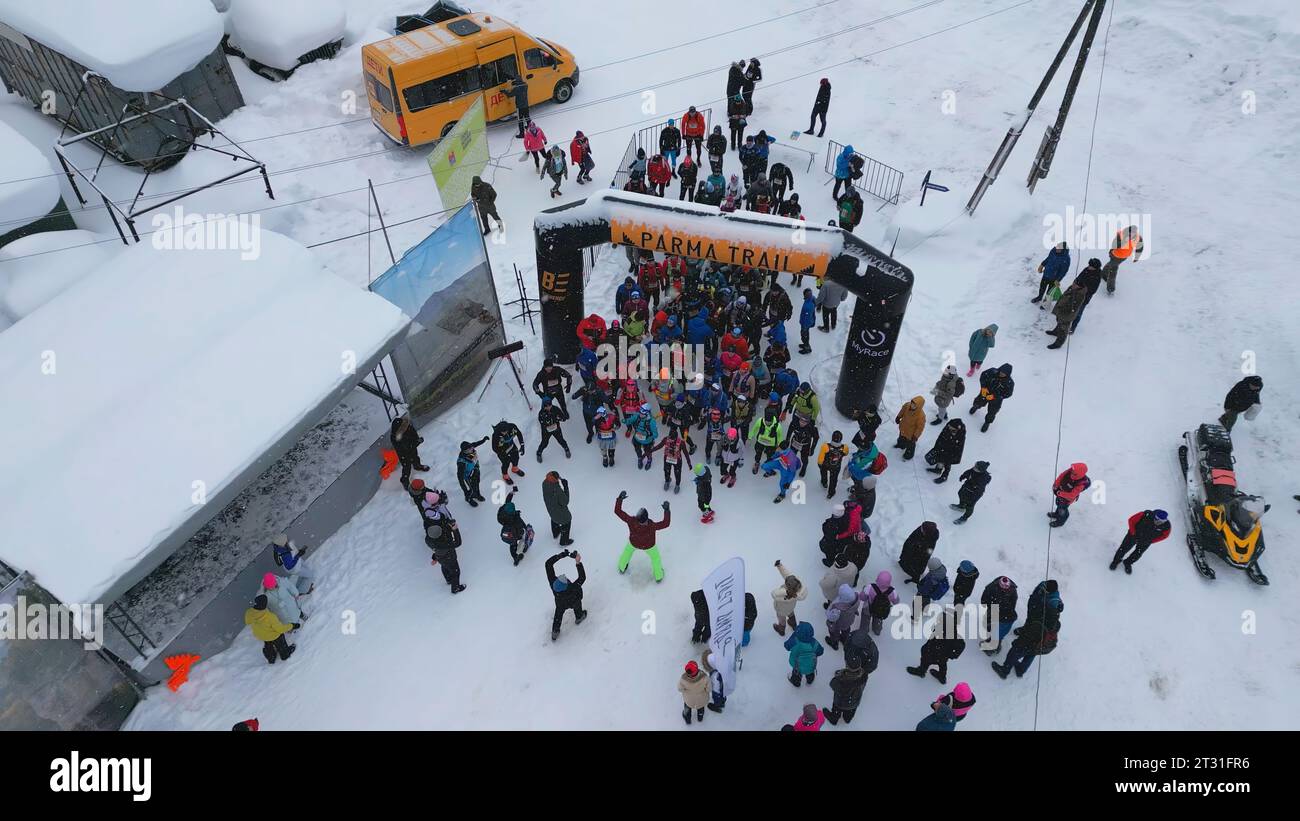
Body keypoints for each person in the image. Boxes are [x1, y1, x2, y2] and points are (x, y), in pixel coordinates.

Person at [614, 491, 671, 582]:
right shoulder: (652, 526)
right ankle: (659, 576)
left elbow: (618, 511)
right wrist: (667, 510)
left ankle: (622, 567)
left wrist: (620, 499)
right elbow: (665, 523)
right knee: (656, 559)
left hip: (634, 543)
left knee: (626, 553)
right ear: (647, 517)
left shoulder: (632, 521)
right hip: (649, 546)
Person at [993, 603, 1059, 679]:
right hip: (1040, 647)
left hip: (1031, 644)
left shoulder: (1037, 625)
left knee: (1014, 653)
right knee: (1031, 655)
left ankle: (1004, 671)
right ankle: (1020, 670)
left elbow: (1025, 639)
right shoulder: (1055, 623)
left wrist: (1016, 644)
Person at [906, 606, 964, 684]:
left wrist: (953, 655)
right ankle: (942, 676)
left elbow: (962, 645)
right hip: (941, 656)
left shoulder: (950, 633)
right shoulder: (950, 630)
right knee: (942, 664)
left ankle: (921, 671)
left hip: (931, 653)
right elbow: (961, 644)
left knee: (925, 661)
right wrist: (951, 655)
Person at [1110, 509, 1171, 573]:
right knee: (1123, 548)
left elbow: (1164, 536)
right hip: (1133, 536)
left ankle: (1127, 563)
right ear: (1155, 516)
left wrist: (1151, 541)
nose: (1159, 522)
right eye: (1157, 519)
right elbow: (1131, 520)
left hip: (1146, 542)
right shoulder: (1145, 515)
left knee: (1137, 554)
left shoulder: (1166, 526)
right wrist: (1133, 532)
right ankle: (1116, 561)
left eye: (1162, 521)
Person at [244, 595, 298, 664]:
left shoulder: (249, 612)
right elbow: (281, 629)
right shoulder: (270, 617)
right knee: (280, 641)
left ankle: (271, 657)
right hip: (273, 636)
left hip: (261, 635)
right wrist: (292, 625)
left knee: (268, 644)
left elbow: (248, 622)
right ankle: (285, 654)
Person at [546, 550, 587, 641]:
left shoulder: (553, 584)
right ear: (566, 585)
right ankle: (579, 617)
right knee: (577, 606)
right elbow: (582, 577)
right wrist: (578, 562)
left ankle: (555, 632)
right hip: (574, 600)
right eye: (565, 579)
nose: (564, 576)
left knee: (558, 614)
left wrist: (561, 555)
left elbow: (548, 564)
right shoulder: (573, 588)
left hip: (560, 603)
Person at [968, 363, 1014, 432]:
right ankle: (975, 407)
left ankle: (987, 422)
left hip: (996, 399)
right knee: (979, 401)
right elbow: (983, 376)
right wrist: (983, 387)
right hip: (985, 392)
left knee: (992, 412)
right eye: (1001, 371)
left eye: (1004, 373)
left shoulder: (1009, 383)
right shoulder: (992, 372)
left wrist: (995, 396)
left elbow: (1008, 394)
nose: (1002, 374)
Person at [980, 576, 1018, 655]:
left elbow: (1012, 603)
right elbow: (985, 595)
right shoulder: (992, 587)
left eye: (1006, 587)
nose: (1005, 589)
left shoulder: (1012, 591)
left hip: (1003, 614)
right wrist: (986, 604)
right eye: (1003, 587)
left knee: (997, 635)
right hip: (994, 608)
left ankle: (992, 648)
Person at [389, 412, 428, 487]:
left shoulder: (408, 427)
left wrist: (417, 440)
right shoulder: (395, 438)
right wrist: (417, 442)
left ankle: (417, 466)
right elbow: (407, 448)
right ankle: (404, 480)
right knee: (407, 466)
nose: (405, 428)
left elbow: (414, 436)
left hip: (412, 446)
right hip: (403, 453)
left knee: (415, 457)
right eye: (402, 428)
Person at [1102, 225, 1144, 295]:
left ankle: (1103, 273)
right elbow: (1114, 245)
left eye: (1133, 234)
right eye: (1130, 233)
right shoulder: (1120, 235)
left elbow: (1140, 248)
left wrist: (1137, 257)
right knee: (1113, 271)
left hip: (1124, 257)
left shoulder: (1138, 238)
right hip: (1115, 255)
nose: (1131, 235)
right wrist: (1124, 242)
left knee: (1112, 264)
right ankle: (1110, 289)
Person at [1046, 280, 1087, 349]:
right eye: (1073, 283)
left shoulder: (1079, 295)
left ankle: (1058, 343)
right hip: (1061, 309)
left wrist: (1064, 309)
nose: (1073, 284)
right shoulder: (1072, 288)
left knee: (1063, 329)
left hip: (1066, 313)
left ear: (1079, 287)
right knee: (1059, 321)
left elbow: (1074, 306)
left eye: (1075, 284)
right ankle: (1056, 332)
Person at [426, 522, 465, 594]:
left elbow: (437, 550)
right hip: (449, 558)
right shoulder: (444, 544)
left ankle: (448, 579)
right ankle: (455, 588)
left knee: (444, 567)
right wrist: (455, 530)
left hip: (440, 557)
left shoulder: (428, 540)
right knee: (455, 572)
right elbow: (458, 542)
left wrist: (435, 558)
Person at [650, 426, 692, 493]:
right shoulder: (666, 439)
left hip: (677, 460)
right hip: (667, 459)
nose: (671, 440)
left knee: (677, 473)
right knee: (666, 471)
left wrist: (689, 463)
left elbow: (686, 453)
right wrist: (651, 450)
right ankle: (667, 480)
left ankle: (677, 485)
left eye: (672, 439)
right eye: (670, 438)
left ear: (676, 438)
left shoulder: (681, 443)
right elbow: (659, 446)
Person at [1048, 462, 1090, 527]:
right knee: (1058, 504)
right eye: (1072, 471)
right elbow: (1061, 476)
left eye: (1074, 473)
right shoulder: (1070, 471)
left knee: (1062, 509)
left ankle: (1060, 522)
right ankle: (1056, 514)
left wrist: (1059, 493)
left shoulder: (1080, 484)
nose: (1072, 473)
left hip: (1067, 499)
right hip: (1061, 493)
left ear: (1079, 475)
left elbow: (1072, 495)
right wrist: (1056, 484)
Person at [924, 418, 966, 483]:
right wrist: (937, 446)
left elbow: (960, 447)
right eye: (949, 427)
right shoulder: (948, 427)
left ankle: (944, 476)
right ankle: (938, 469)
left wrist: (955, 457)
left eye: (952, 428)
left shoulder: (960, 434)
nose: (949, 428)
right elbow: (941, 436)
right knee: (940, 457)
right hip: (943, 446)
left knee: (947, 463)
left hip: (952, 451)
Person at [771, 559, 807, 635]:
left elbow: (774, 594)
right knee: (791, 613)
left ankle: (781, 629)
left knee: (781, 619)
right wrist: (780, 566)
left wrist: (785, 591)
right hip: (791, 607)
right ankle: (793, 624)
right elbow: (787, 574)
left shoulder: (784, 595)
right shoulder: (798, 587)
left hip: (781, 610)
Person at [784, 621, 825, 687]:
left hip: (796, 664)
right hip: (810, 665)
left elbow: (786, 646)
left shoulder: (794, 641)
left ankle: (796, 682)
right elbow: (821, 651)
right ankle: (810, 680)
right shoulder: (814, 643)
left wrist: (793, 636)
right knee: (810, 673)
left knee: (796, 673)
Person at [1069, 257, 1104, 333]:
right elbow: (1079, 277)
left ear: (1095, 268)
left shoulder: (1097, 276)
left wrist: (1080, 287)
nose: (1089, 267)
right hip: (1075, 292)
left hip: (1084, 297)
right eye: (1089, 265)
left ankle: (1073, 327)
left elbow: (1092, 290)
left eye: (1091, 266)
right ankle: (1066, 321)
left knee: (1078, 312)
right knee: (1071, 307)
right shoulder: (1086, 269)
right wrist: (1074, 283)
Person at [498, 491, 533, 566]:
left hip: (508, 535)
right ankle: (518, 555)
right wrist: (525, 528)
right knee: (520, 540)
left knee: (512, 544)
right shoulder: (513, 519)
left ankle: (515, 556)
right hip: (514, 534)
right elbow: (520, 524)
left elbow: (507, 502)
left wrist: (511, 494)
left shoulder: (503, 512)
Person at [824, 583, 861, 651]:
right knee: (846, 630)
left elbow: (831, 617)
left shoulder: (838, 608)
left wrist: (828, 612)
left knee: (834, 633)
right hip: (849, 621)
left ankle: (834, 642)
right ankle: (844, 640)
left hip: (838, 624)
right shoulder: (856, 601)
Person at [542, 471, 574, 546]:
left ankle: (555, 532)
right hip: (559, 511)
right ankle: (564, 541)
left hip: (550, 508)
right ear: (555, 479)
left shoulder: (545, 483)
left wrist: (557, 481)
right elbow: (565, 501)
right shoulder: (556, 490)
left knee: (554, 517)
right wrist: (565, 487)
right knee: (567, 520)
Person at [456, 437, 489, 506]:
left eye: (471, 448)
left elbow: (476, 443)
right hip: (468, 476)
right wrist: (465, 491)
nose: (471, 450)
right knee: (471, 488)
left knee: (477, 483)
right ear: (464, 451)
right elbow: (460, 478)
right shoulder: (461, 462)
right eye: (468, 450)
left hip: (475, 470)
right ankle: (469, 498)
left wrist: (483, 440)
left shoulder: (471, 448)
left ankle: (477, 495)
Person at [536, 397, 572, 462]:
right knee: (544, 443)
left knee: (561, 440)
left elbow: (563, 418)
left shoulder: (556, 409)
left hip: (556, 429)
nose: (548, 407)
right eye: (546, 406)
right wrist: (548, 421)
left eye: (549, 405)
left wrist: (560, 418)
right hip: (546, 431)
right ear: (543, 405)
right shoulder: (541, 413)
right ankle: (539, 453)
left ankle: (566, 449)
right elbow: (542, 422)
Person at [816, 430, 849, 498]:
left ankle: (824, 483)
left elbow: (821, 457)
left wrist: (820, 464)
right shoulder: (844, 447)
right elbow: (846, 453)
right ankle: (831, 493)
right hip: (836, 467)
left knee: (823, 474)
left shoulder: (825, 446)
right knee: (833, 479)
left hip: (825, 465)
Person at [864, 570, 897, 635]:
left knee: (865, 618)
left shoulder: (870, 587)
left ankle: (864, 630)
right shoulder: (892, 592)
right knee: (878, 619)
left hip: (869, 607)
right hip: (881, 610)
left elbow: (862, 597)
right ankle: (877, 630)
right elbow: (896, 601)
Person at [893, 396, 926, 460]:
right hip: (903, 427)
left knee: (910, 444)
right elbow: (902, 411)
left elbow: (920, 428)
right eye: (912, 403)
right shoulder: (907, 405)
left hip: (911, 433)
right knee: (901, 437)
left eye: (914, 405)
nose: (912, 405)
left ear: (918, 406)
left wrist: (915, 436)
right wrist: (898, 417)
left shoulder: (921, 416)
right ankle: (901, 445)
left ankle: (909, 454)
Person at [678, 660, 710, 725]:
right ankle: (700, 717)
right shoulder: (704, 677)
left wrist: (686, 690)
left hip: (689, 700)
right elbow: (709, 689)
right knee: (700, 707)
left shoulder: (683, 679)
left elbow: (680, 689)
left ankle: (687, 718)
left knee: (687, 705)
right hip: (701, 699)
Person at [796, 288, 816, 354]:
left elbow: (806, 318)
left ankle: (807, 348)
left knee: (804, 335)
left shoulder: (807, 306)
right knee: (805, 334)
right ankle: (805, 344)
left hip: (806, 324)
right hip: (809, 321)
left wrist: (804, 326)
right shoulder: (811, 299)